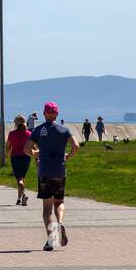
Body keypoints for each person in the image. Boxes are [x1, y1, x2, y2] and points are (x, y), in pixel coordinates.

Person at [27, 101, 79, 250]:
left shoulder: (38, 130)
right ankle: (60, 223)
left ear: (44, 113)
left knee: (47, 207)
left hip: (44, 171)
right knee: (59, 201)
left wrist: (36, 154)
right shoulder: (64, 130)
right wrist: (68, 156)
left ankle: (52, 238)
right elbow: (76, 146)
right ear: (57, 113)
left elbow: (26, 149)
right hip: (59, 171)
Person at [8, 115, 32, 205]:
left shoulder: (12, 133)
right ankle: (19, 198)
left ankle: (24, 194)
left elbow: (8, 147)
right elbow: (33, 146)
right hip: (26, 157)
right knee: (22, 177)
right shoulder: (29, 134)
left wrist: (7, 154)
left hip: (15, 157)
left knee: (19, 179)